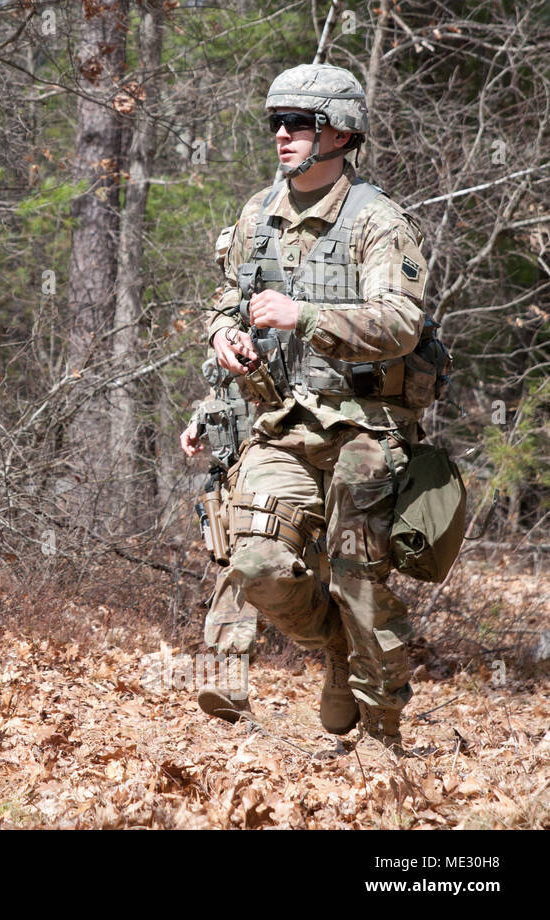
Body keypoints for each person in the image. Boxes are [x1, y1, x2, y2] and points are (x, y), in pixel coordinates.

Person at [180, 63, 431, 753]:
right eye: (276, 122)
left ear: (341, 134)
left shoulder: (378, 221)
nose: (282, 134)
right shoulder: (257, 214)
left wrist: (307, 315)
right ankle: (336, 652)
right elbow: (227, 303)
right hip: (281, 425)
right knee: (255, 564)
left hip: (367, 429)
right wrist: (221, 346)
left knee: (359, 580)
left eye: (299, 122)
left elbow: (402, 323)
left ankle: (382, 735)